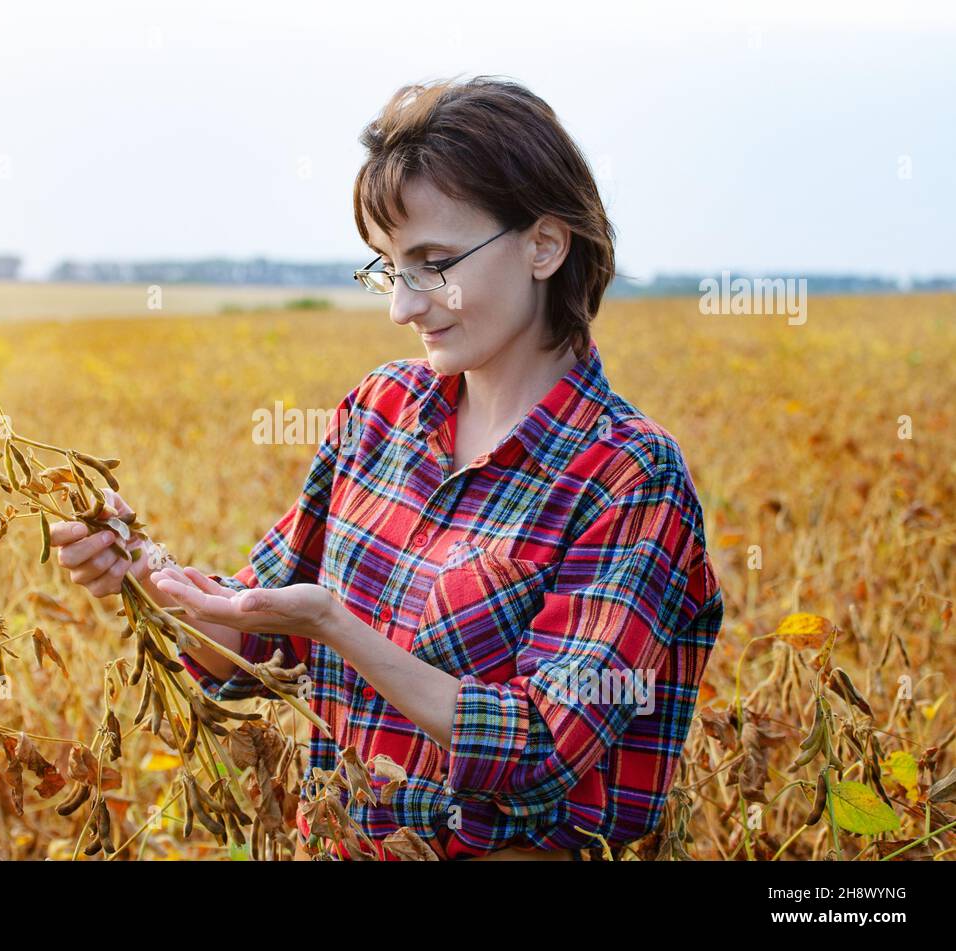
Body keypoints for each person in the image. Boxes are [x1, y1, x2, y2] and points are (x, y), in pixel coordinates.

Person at [50, 75, 723, 862]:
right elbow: (258, 640)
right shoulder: (378, 411)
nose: (402, 306)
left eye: (433, 263)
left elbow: (543, 746)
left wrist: (337, 624)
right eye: (388, 267)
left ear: (545, 243)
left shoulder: (628, 474)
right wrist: (144, 569)